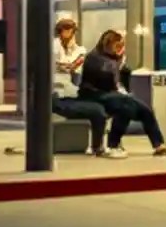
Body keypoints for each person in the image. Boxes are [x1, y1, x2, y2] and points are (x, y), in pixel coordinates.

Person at [79, 30, 166, 156]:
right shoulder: (94, 57)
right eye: (117, 46)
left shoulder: (114, 58)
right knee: (125, 108)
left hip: (114, 94)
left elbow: (122, 81)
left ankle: (159, 144)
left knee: (145, 109)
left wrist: (121, 67)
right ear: (108, 44)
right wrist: (117, 65)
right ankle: (113, 144)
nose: (120, 49)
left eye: (121, 46)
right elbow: (104, 81)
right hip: (95, 94)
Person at [51, 19, 119, 158]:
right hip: (56, 95)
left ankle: (100, 146)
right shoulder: (53, 47)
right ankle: (98, 147)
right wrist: (67, 64)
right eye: (65, 29)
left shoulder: (79, 50)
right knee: (97, 110)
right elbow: (65, 65)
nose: (68, 33)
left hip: (71, 93)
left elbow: (74, 67)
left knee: (102, 107)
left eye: (71, 30)